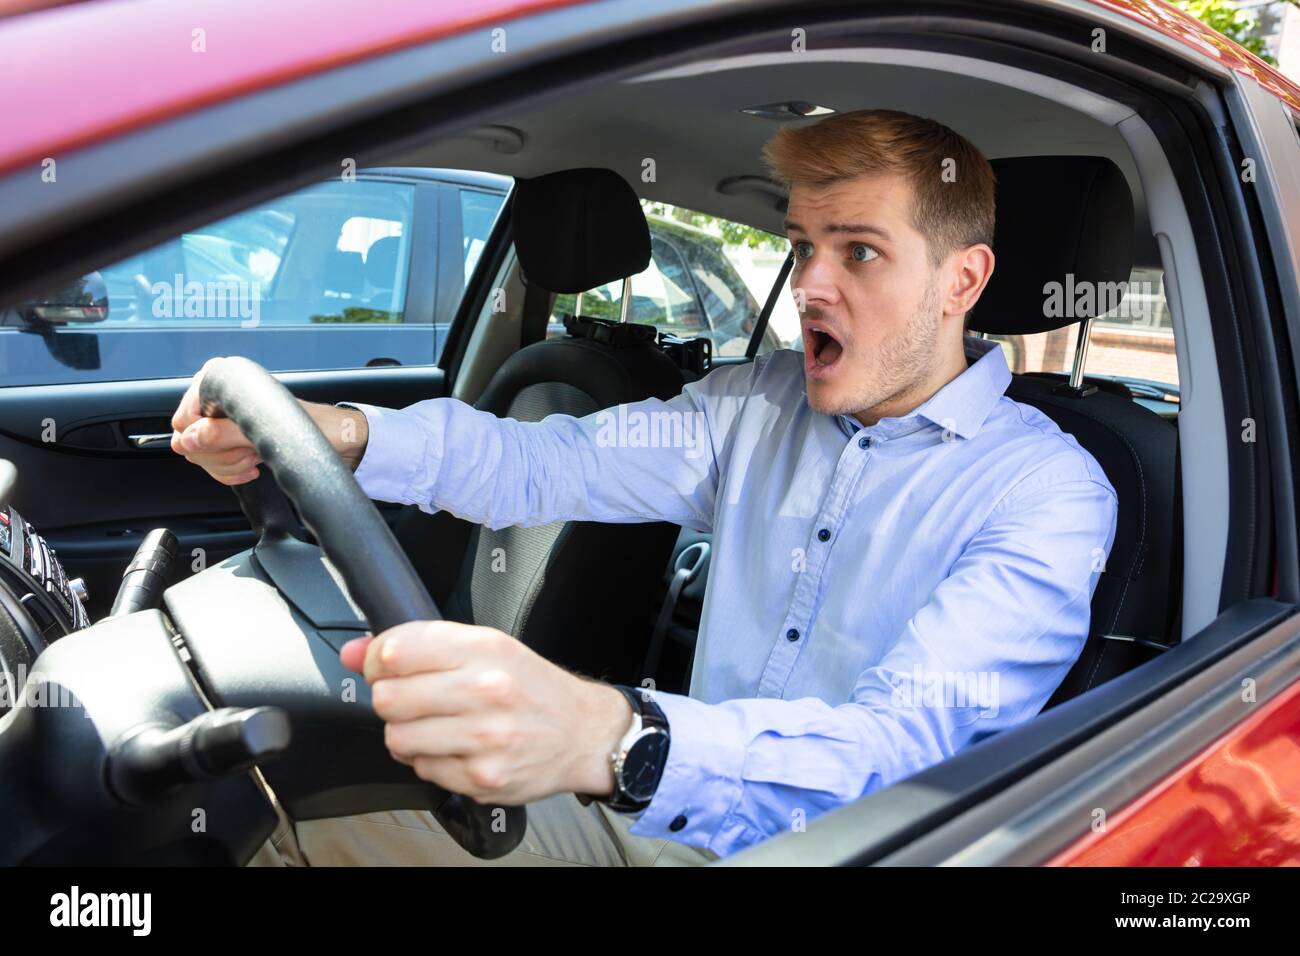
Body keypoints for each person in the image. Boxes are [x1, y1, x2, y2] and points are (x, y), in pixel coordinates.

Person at [171, 109, 1118, 866]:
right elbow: (540, 464)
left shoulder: (1044, 493)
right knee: (273, 825)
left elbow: (902, 752)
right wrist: (342, 435)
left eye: (859, 252)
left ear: (963, 281)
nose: (811, 287)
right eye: (803, 247)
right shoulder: (757, 404)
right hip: (666, 827)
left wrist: (615, 736)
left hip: (844, 842)